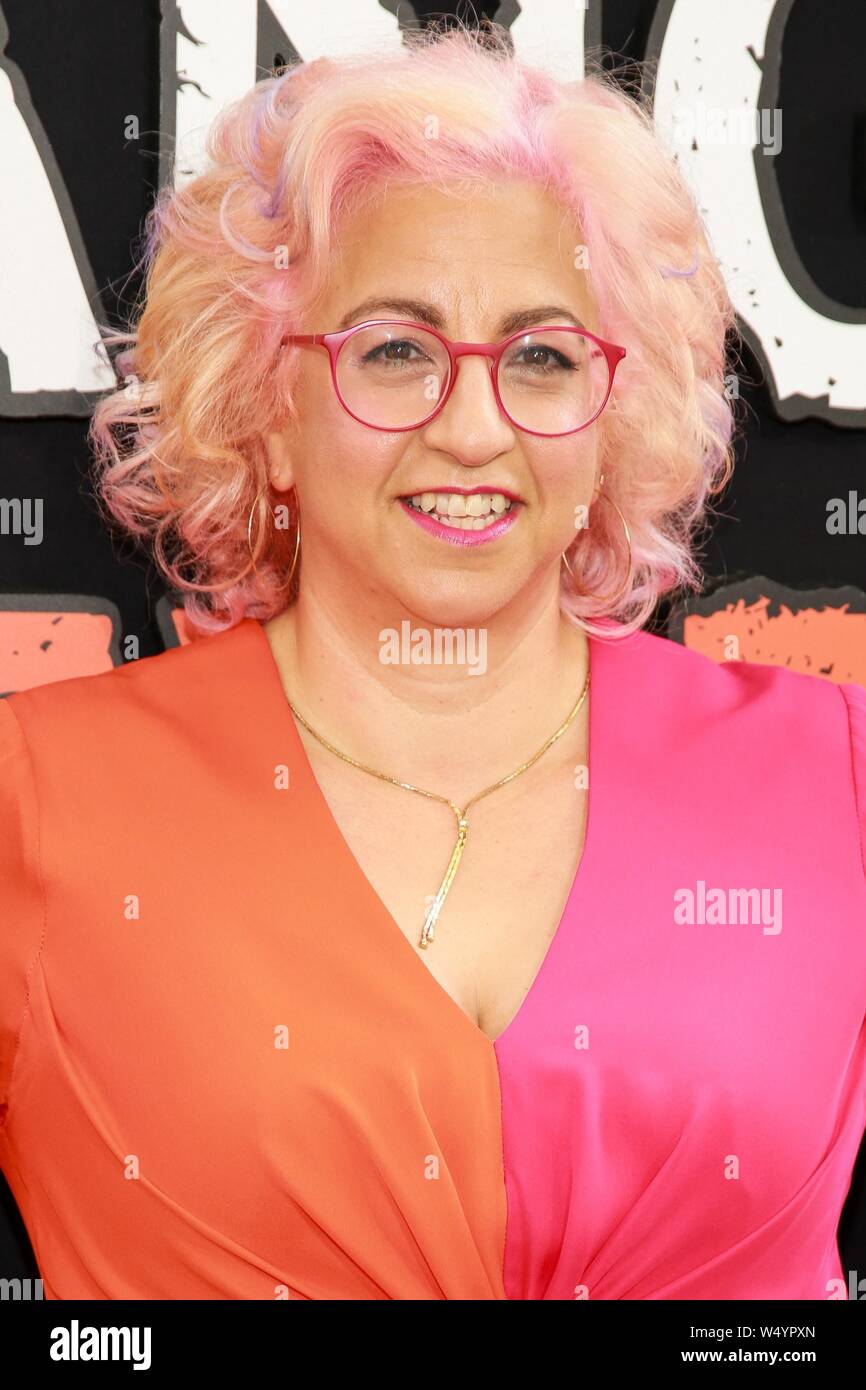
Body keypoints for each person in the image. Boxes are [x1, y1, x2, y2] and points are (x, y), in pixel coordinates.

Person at [1, 24, 864, 1302]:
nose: (472, 426)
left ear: (607, 419)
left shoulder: (830, 778)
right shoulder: (35, 802)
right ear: (267, 411)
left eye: (541, 356)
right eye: (394, 351)